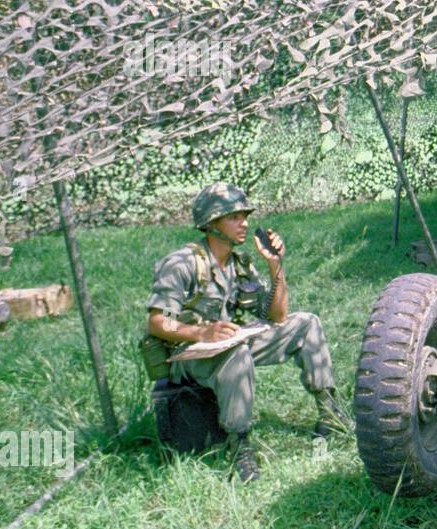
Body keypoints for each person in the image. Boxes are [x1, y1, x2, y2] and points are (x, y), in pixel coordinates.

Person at [145, 183, 350, 483]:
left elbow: (277, 315)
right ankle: (239, 445)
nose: (244, 223)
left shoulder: (239, 265)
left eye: (244, 215)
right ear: (211, 223)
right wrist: (202, 332)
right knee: (238, 353)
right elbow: (157, 322)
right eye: (234, 217)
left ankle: (330, 414)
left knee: (306, 323)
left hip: (227, 341)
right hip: (187, 354)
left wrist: (274, 266)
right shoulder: (182, 263)